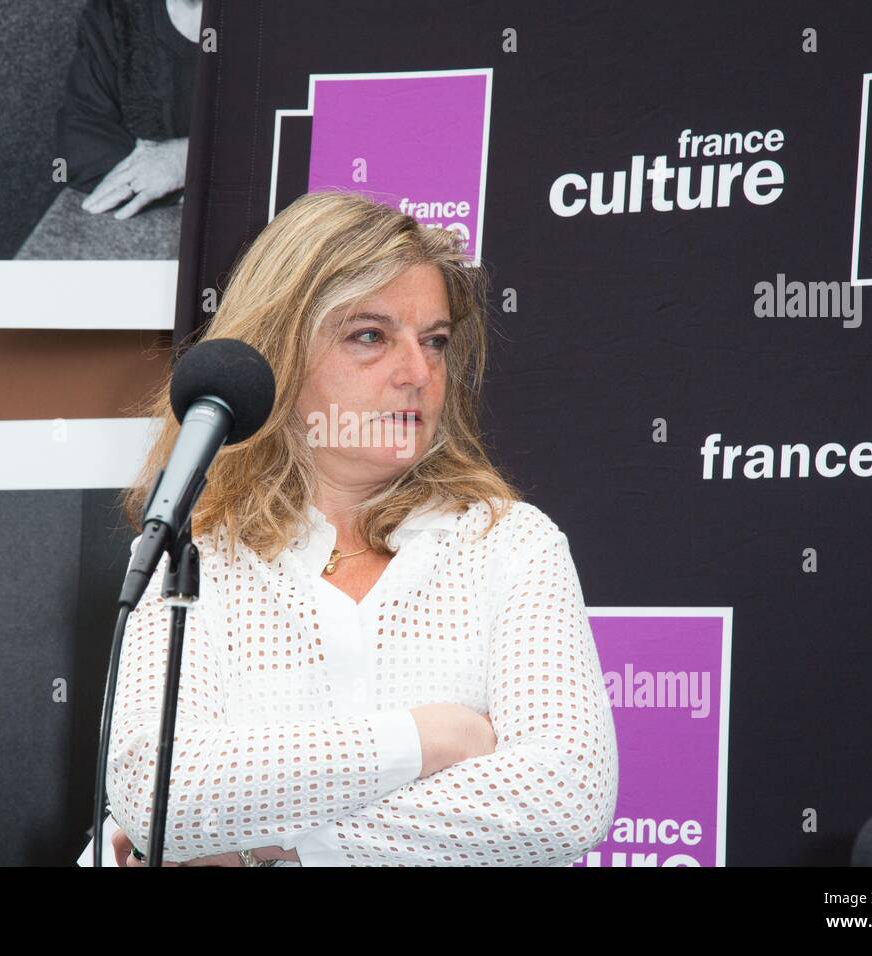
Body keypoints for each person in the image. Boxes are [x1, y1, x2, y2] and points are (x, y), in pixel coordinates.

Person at [105, 189, 619, 866]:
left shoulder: (510, 544)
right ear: (278, 349)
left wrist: (281, 852)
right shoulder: (195, 555)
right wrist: (429, 739)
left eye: (434, 341)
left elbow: (565, 796)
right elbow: (156, 792)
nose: (417, 374)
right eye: (370, 336)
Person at [54, 0, 200, 220]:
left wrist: (187, 158)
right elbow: (78, 143)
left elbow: (269, 147)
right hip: (151, 220)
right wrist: (166, 177)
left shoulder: (265, 19)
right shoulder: (114, 12)